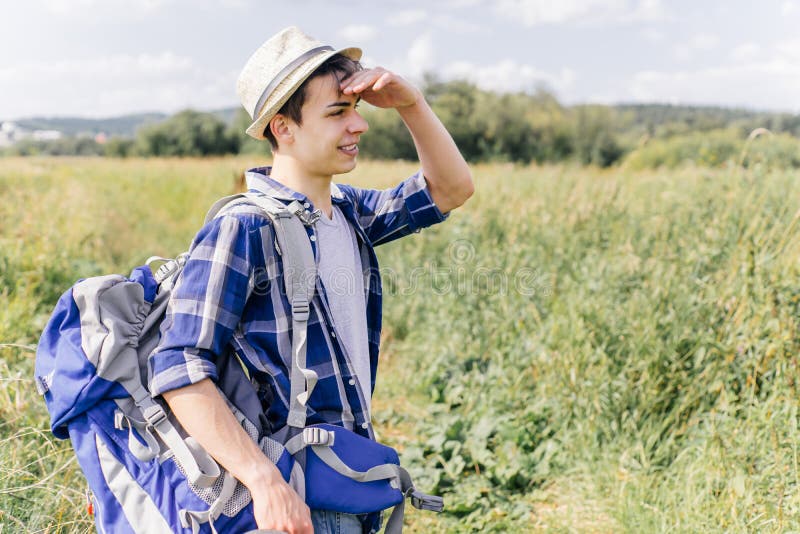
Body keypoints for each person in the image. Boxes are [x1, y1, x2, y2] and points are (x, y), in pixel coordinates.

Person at [148, 26, 473, 534]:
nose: (360, 125)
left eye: (356, 110)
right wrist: (264, 482)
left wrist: (411, 102)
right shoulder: (243, 227)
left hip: (344, 476)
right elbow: (178, 368)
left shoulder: (347, 212)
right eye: (337, 113)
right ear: (284, 128)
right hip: (292, 496)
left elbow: (450, 189)